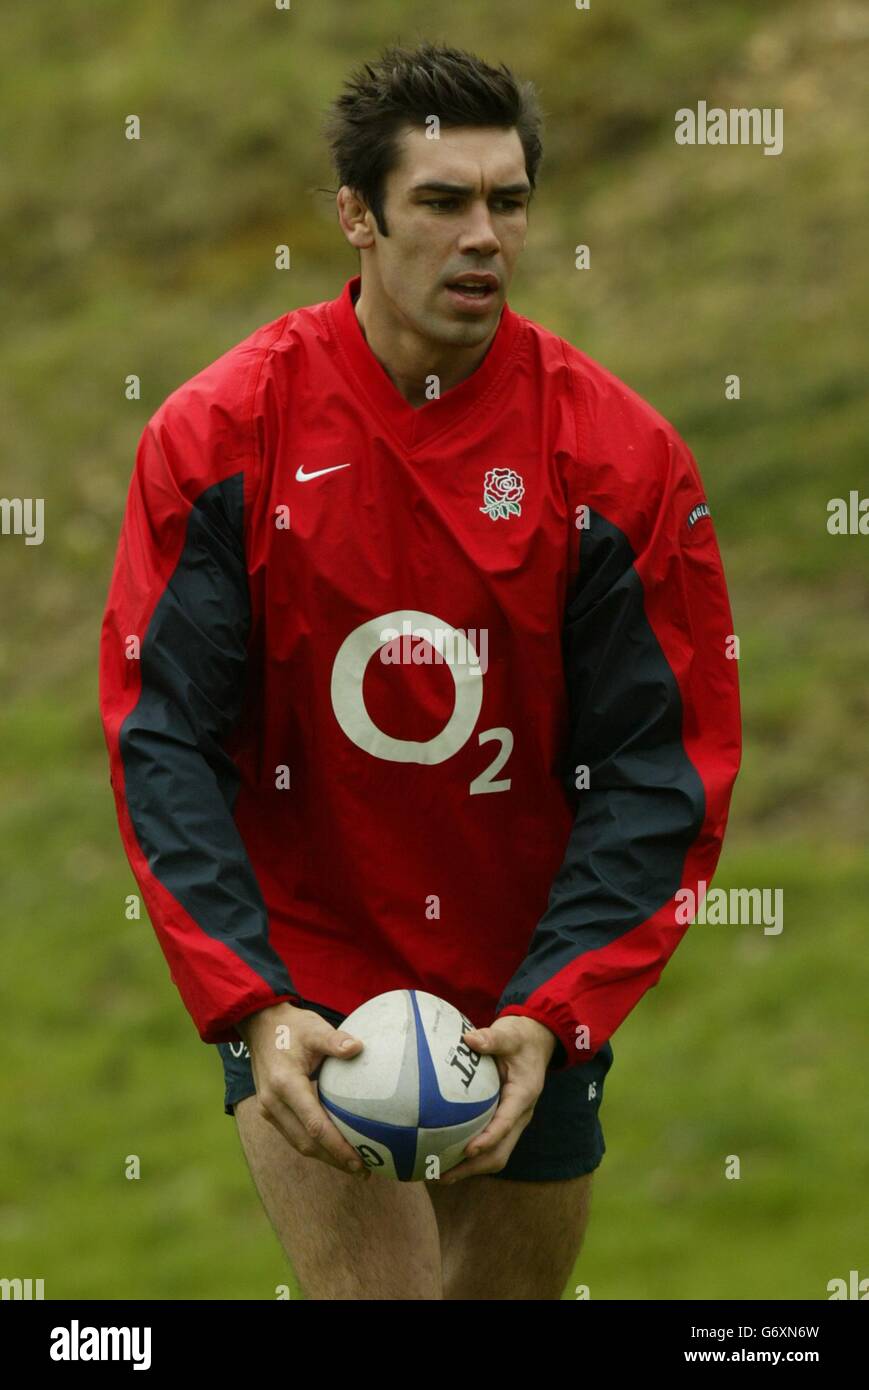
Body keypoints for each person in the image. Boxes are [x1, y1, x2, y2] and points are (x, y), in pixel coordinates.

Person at [99, 39, 741, 1300]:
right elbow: (163, 732)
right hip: (310, 981)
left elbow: (659, 768)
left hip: (525, 991)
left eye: (506, 201)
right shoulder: (222, 437)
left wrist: (557, 1010)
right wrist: (249, 1000)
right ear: (356, 215)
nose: (483, 235)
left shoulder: (617, 462)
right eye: (441, 202)